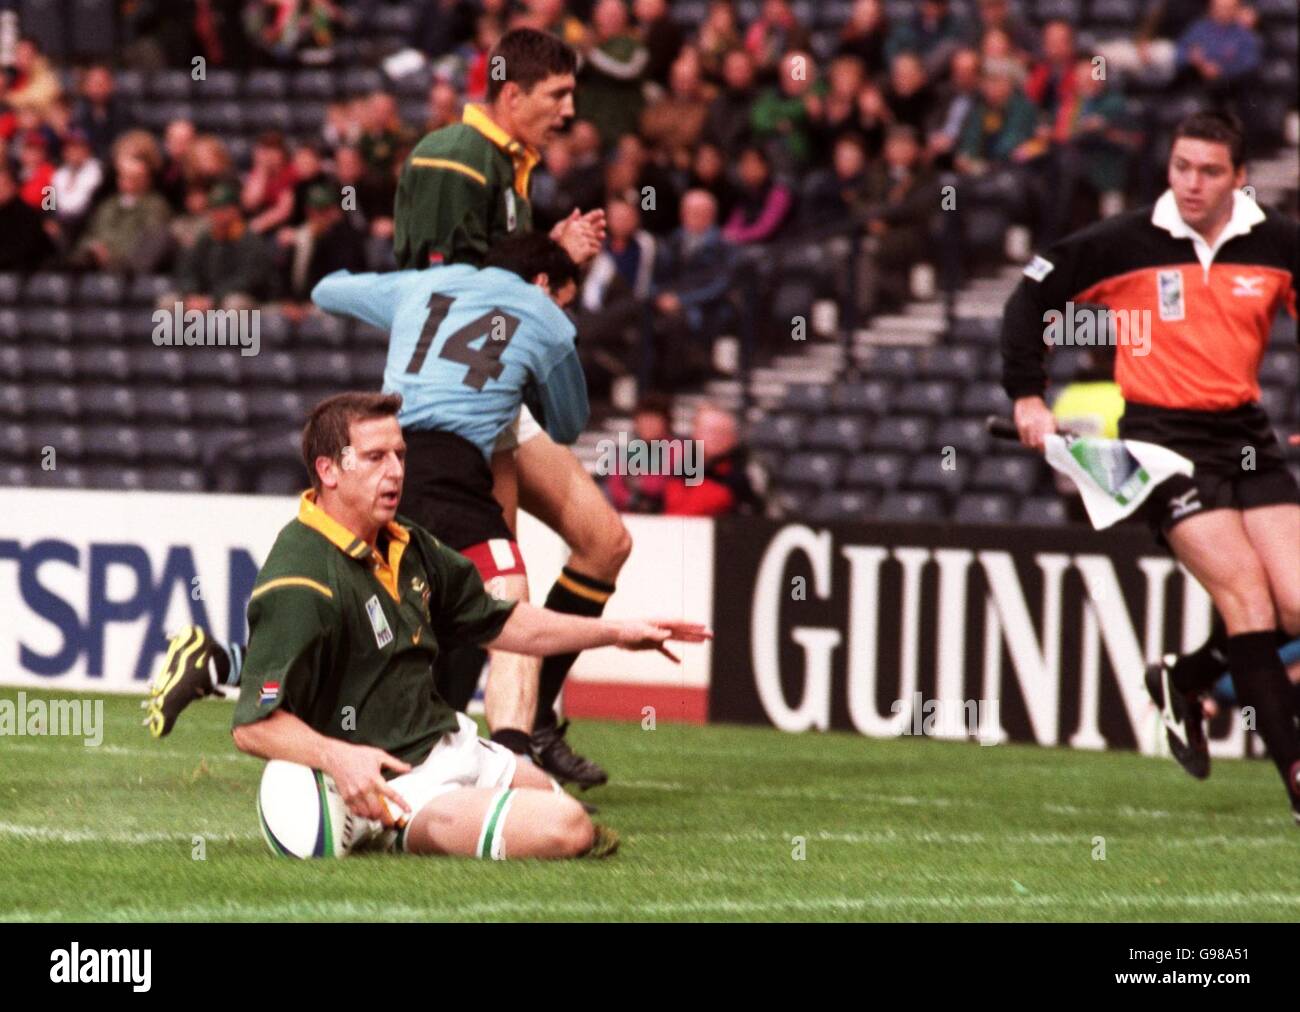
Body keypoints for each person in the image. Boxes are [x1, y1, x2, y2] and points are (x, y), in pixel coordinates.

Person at [227, 390, 708, 859]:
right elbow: (253, 727)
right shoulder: (301, 576)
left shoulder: (406, 543)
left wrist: (617, 633)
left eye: (399, 455)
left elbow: (510, 626)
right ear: (328, 470)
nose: (395, 471)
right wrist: (339, 758)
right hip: (398, 782)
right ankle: (393, 831)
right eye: (375, 457)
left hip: (451, 743)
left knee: (555, 798)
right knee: (567, 827)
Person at [1000, 110, 1300, 824]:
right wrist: (1027, 399)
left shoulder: (1279, 243)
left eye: (1209, 171)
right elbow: (1029, 297)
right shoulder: (1122, 241)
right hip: (1160, 444)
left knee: (1294, 605)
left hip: (1245, 433)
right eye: (1181, 167)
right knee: (1250, 606)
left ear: (1241, 177)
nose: (1191, 184)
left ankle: (1184, 677)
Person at [392, 27, 632, 788]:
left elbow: (494, 277)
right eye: (559, 95)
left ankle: (531, 726)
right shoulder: (451, 157)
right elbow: (441, 293)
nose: (570, 111)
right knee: (497, 592)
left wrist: (548, 254)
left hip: (495, 396)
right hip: (462, 402)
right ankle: (487, 751)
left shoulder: (503, 165)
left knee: (602, 543)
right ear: (511, 94)